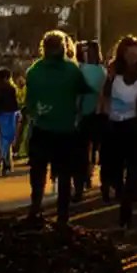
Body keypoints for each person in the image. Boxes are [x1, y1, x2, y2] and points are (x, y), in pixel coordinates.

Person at [24, 31, 91, 224]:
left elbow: (29, 103)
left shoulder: (34, 71)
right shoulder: (73, 71)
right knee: (63, 175)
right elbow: (83, 93)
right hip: (65, 130)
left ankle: (35, 207)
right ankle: (62, 215)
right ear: (64, 48)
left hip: (42, 128)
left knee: (38, 172)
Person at [100, 36, 137, 232]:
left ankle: (126, 212)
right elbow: (105, 96)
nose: (131, 56)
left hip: (135, 127)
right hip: (114, 126)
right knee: (113, 171)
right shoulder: (114, 73)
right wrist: (105, 116)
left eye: (135, 53)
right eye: (128, 52)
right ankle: (120, 193)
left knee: (133, 171)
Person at [77, 41, 107, 202]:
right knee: (92, 149)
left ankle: (85, 178)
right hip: (96, 113)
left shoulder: (83, 70)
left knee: (86, 149)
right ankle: (88, 176)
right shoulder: (102, 71)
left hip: (88, 113)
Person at [0, 69, 20, 176]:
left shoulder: (0, 90)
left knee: (3, 141)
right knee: (6, 142)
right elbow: (15, 105)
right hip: (11, 115)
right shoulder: (11, 89)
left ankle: (4, 164)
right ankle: (5, 165)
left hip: (4, 116)